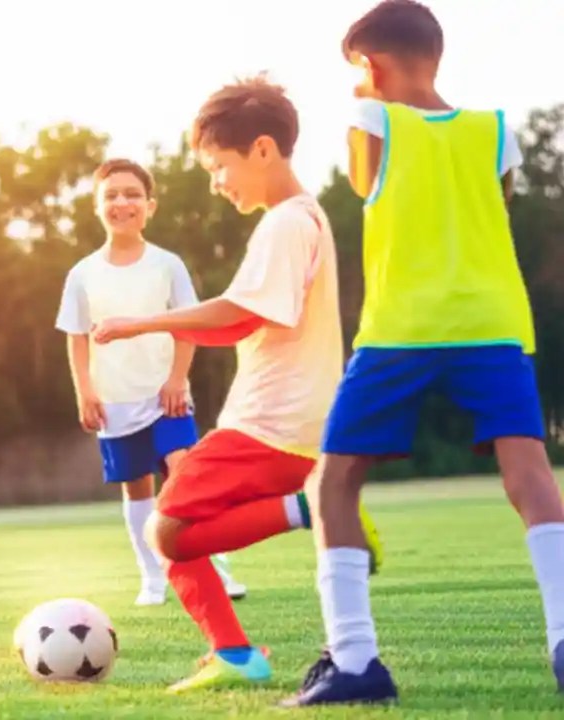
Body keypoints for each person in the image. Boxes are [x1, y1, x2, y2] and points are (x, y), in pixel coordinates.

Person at [284, 0, 563, 705]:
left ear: (370, 65)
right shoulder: (496, 130)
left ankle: (354, 662)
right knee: (529, 476)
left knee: (335, 483)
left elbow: (359, 182)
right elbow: (490, 202)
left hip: (403, 327)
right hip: (493, 321)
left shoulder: (370, 117)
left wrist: (360, 103)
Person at [93, 77, 381, 694]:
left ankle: (293, 533)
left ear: (263, 150)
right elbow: (246, 320)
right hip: (296, 425)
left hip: (268, 422)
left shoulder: (286, 223)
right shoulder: (307, 219)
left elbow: (234, 312)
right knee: (169, 532)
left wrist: (142, 322)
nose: (217, 183)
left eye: (219, 166)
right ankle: (236, 646)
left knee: (163, 529)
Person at [56, 158, 246, 606]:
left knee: (184, 475)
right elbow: (77, 339)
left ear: (150, 206)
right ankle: (153, 578)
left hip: (167, 396)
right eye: (112, 195)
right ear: (97, 207)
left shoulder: (168, 265)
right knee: (137, 486)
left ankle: (214, 568)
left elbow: (189, 325)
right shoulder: (82, 274)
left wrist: (178, 379)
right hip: (115, 401)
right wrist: (85, 391)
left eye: (132, 194)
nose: (123, 202)